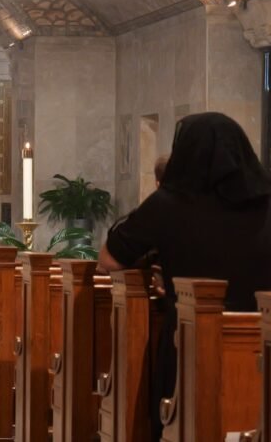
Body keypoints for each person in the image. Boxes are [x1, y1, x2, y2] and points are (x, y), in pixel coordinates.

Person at [99, 112, 271, 437]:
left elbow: (109, 260)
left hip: (191, 346)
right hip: (263, 344)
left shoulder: (168, 204)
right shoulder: (265, 201)